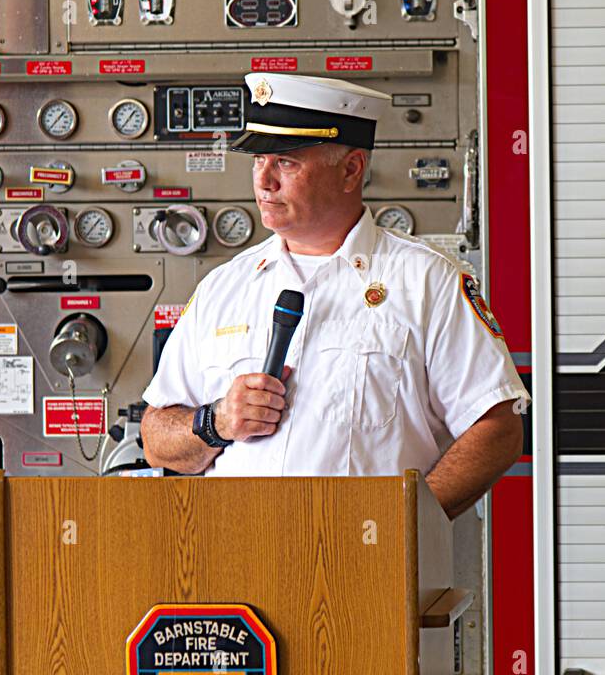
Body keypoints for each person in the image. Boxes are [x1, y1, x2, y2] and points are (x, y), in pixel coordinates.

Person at [140, 72, 528, 519]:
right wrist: (217, 421)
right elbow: (156, 439)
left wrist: (407, 529)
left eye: (285, 162)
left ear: (350, 170)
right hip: (235, 564)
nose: (264, 181)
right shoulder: (223, 287)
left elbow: (497, 431)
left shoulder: (427, 282)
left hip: (361, 568)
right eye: (257, 160)